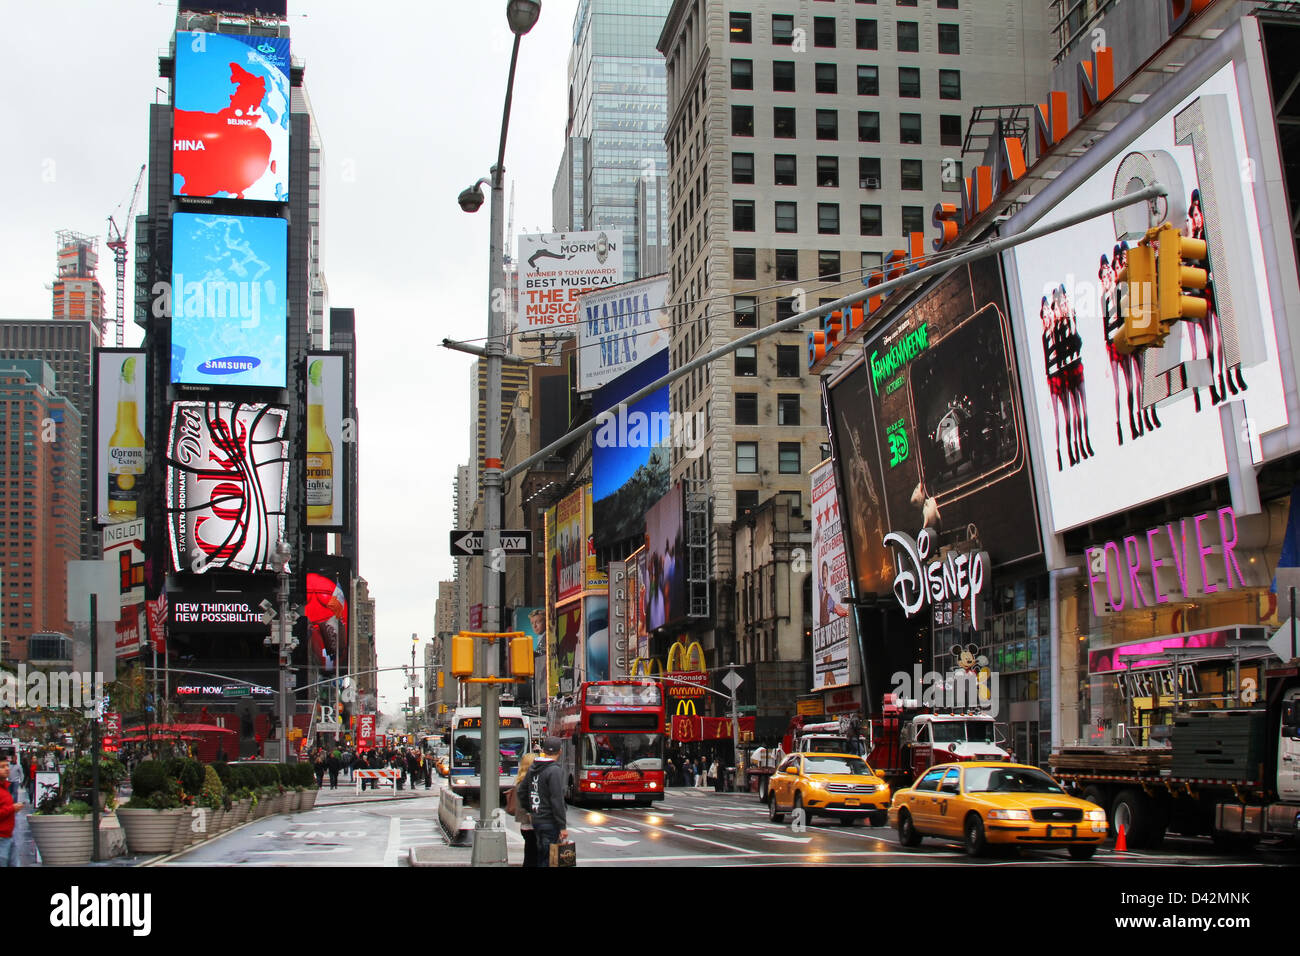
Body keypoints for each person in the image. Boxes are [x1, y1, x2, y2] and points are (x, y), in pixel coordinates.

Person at [523, 737, 568, 867]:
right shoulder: (554, 770)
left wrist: (531, 809)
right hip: (549, 821)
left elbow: (522, 791)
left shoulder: (533, 768)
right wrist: (562, 826)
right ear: (560, 751)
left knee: (542, 855)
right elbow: (557, 799)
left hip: (537, 820)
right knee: (548, 859)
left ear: (543, 750)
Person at [511, 752, 538, 867]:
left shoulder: (520, 781)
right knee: (534, 857)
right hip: (532, 824)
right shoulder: (530, 782)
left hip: (525, 825)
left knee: (530, 854)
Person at [0, 757, 24, 867]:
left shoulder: (5, 789)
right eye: (2, 767)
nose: (7, 769)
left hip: (9, 836)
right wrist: (12, 809)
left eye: (7, 766)